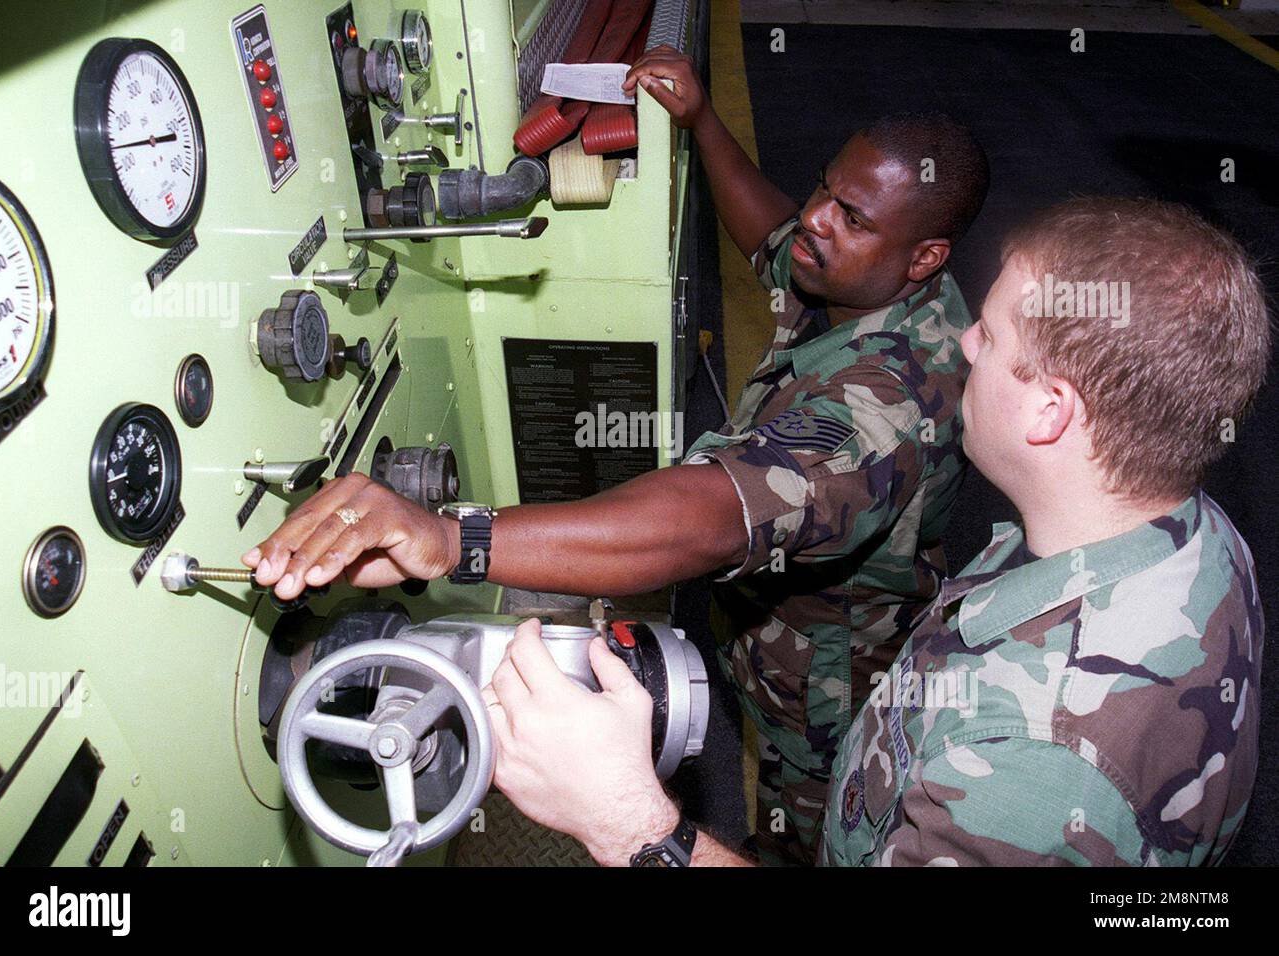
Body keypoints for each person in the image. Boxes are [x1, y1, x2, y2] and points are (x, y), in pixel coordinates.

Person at [243, 62, 989, 865]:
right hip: (776, 637)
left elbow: (714, 516)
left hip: (830, 683)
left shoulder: (891, 404)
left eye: (850, 216)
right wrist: (703, 121)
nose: (814, 219)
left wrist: (455, 539)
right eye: (821, 190)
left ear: (925, 257)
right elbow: (772, 237)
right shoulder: (858, 276)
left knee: (815, 825)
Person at [480, 197, 1268, 866]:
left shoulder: (1034, 767)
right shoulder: (1191, 531)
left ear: (1050, 410)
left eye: (989, 338)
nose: (962, 344)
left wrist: (634, 826)